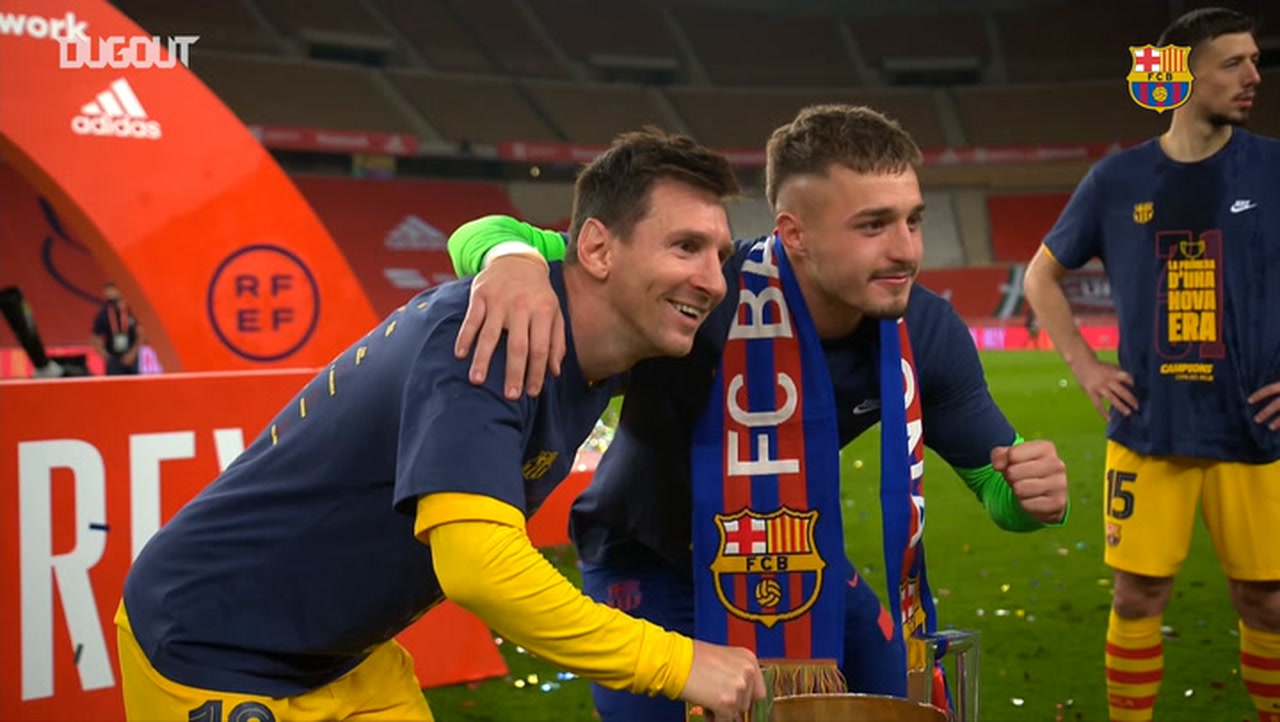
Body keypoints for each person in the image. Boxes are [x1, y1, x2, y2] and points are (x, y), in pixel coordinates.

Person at [115, 128, 768, 722]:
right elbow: (480, 569)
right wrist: (678, 662)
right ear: (597, 249)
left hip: (345, 659)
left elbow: (506, 236)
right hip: (212, 650)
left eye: (717, 253)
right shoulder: (487, 337)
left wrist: (505, 249)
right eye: (686, 247)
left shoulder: (595, 314)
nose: (713, 281)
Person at [448, 104, 1071, 721]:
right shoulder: (700, 286)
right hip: (647, 554)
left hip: (792, 553)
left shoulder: (924, 329)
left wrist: (1030, 495)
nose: (906, 250)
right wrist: (514, 264)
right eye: (873, 226)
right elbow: (479, 235)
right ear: (794, 234)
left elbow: (997, 485)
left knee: (902, 702)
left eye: (913, 220)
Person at [1022, 8, 1279, 721]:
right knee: (1137, 596)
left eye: (1255, 60)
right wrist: (1087, 367)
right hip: (1149, 430)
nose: (1254, 76)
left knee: (1267, 601)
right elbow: (1041, 277)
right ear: (1181, 76)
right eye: (1233, 62)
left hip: (1256, 431)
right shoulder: (1118, 178)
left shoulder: (1273, 167)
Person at [91, 280, 143, 375]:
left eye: (116, 300)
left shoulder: (131, 312)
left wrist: (133, 353)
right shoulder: (104, 314)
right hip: (113, 357)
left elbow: (142, 334)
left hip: (131, 356)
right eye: (110, 300)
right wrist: (105, 354)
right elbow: (95, 336)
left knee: (133, 382)